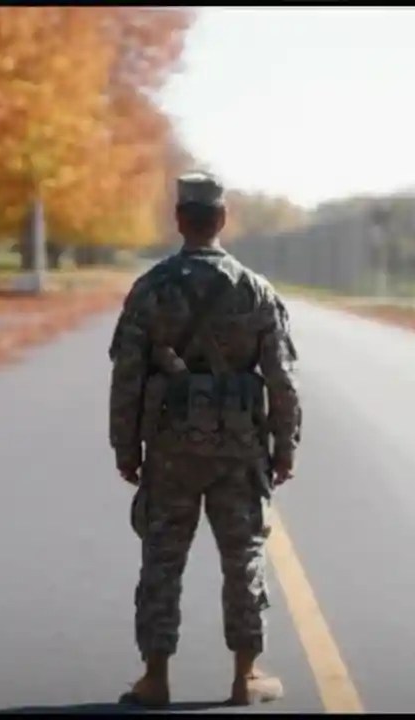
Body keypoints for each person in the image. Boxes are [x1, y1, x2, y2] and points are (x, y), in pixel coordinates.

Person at [107, 171, 302, 708]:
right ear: (222, 219)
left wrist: (125, 448)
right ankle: (246, 674)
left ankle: (155, 677)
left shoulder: (151, 289)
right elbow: (282, 380)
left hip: (169, 450)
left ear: (179, 220)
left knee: (162, 557)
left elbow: (127, 374)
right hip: (238, 451)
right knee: (243, 557)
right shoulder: (255, 290)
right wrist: (285, 447)